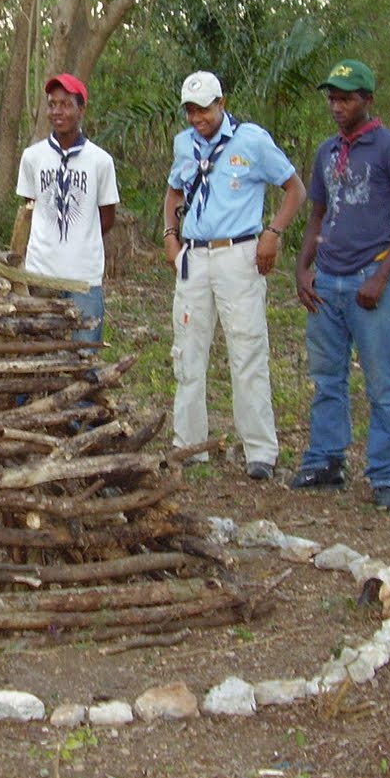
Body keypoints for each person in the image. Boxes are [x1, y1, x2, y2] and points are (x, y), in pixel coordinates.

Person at [292, 59, 390, 511]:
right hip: (326, 280)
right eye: (332, 98)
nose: (337, 106)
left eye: (346, 98)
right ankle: (327, 459)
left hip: (370, 281)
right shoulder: (327, 151)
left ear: (367, 100)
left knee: (381, 383)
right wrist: (303, 268)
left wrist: (382, 274)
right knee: (327, 377)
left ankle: (388, 474)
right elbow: (317, 214)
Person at [162, 71, 306, 479]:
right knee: (188, 351)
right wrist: (171, 235)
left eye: (204, 109)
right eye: (190, 110)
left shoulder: (252, 141)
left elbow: (295, 189)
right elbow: (175, 190)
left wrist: (273, 233)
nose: (197, 118)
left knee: (247, 350)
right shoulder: (183, 144)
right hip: (194, 257)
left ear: (221, 104)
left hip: (238, 254)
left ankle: (259, 450)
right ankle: (189, 444)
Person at [15, 73, 119, 344]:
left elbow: (106, 218)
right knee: (39, 354)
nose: (58, 111)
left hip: (83, 278)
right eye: (52, 104)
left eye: (66, 104)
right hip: (41, 274)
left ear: (81, 110)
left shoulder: (100, 161)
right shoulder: (32, 157)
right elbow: (29, 209)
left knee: (83, 356)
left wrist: (80, 240)